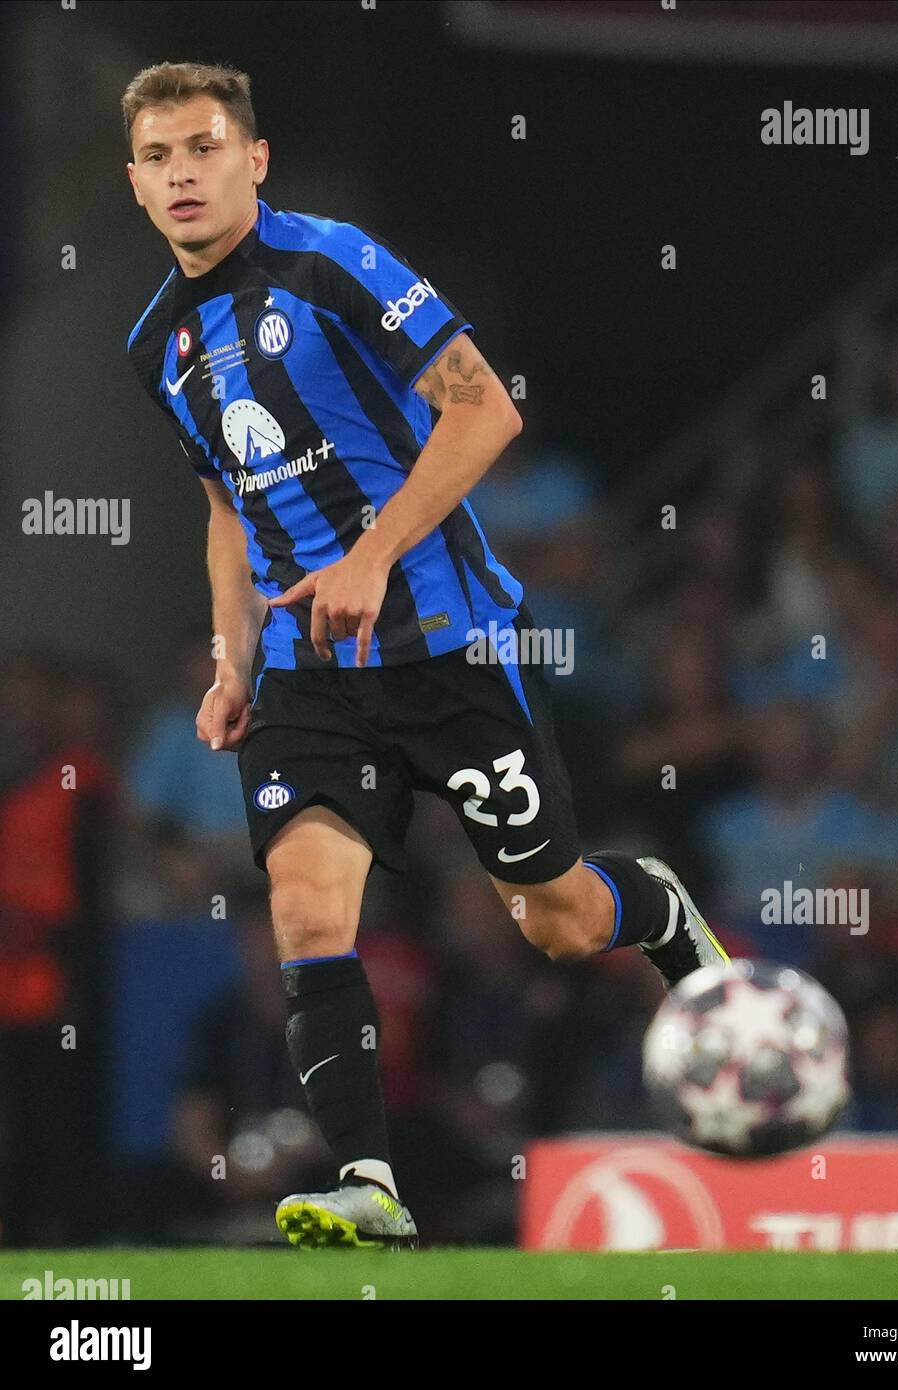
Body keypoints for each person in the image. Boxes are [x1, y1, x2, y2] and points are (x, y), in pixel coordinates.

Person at [122, 61, 728, 1250]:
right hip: (305, 672)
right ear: (135, 183)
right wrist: (233, 658)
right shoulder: (155, 342)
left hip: (448, 645)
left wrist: (372, 554)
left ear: (254, 158)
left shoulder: (334, 260)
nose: (182, 173)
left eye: (203, 147)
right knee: (304, 905)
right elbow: (224, 510)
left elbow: (484, 407)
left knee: (551, 917)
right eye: (156, 156)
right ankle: (368, 1183)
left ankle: (650, 903)